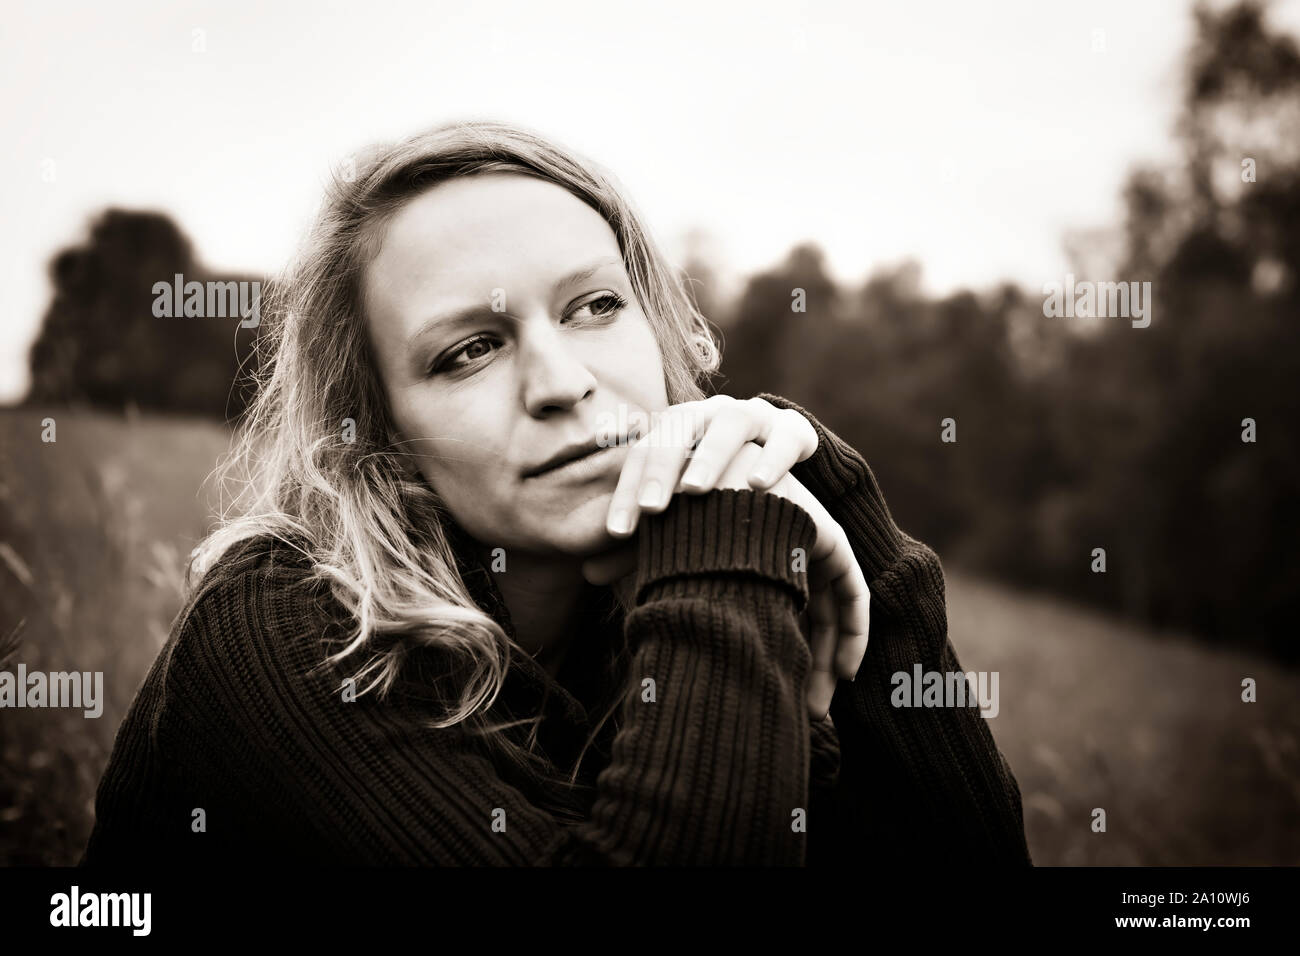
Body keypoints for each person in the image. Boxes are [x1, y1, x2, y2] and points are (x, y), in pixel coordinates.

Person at [81, 119, 1031, 866]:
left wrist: (836, 504)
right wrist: (723, 530)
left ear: (661, 331)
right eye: (468, 350)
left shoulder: (665, 596)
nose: (561, 380)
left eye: (596, 306)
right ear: (373, 431)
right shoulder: (284, 631)